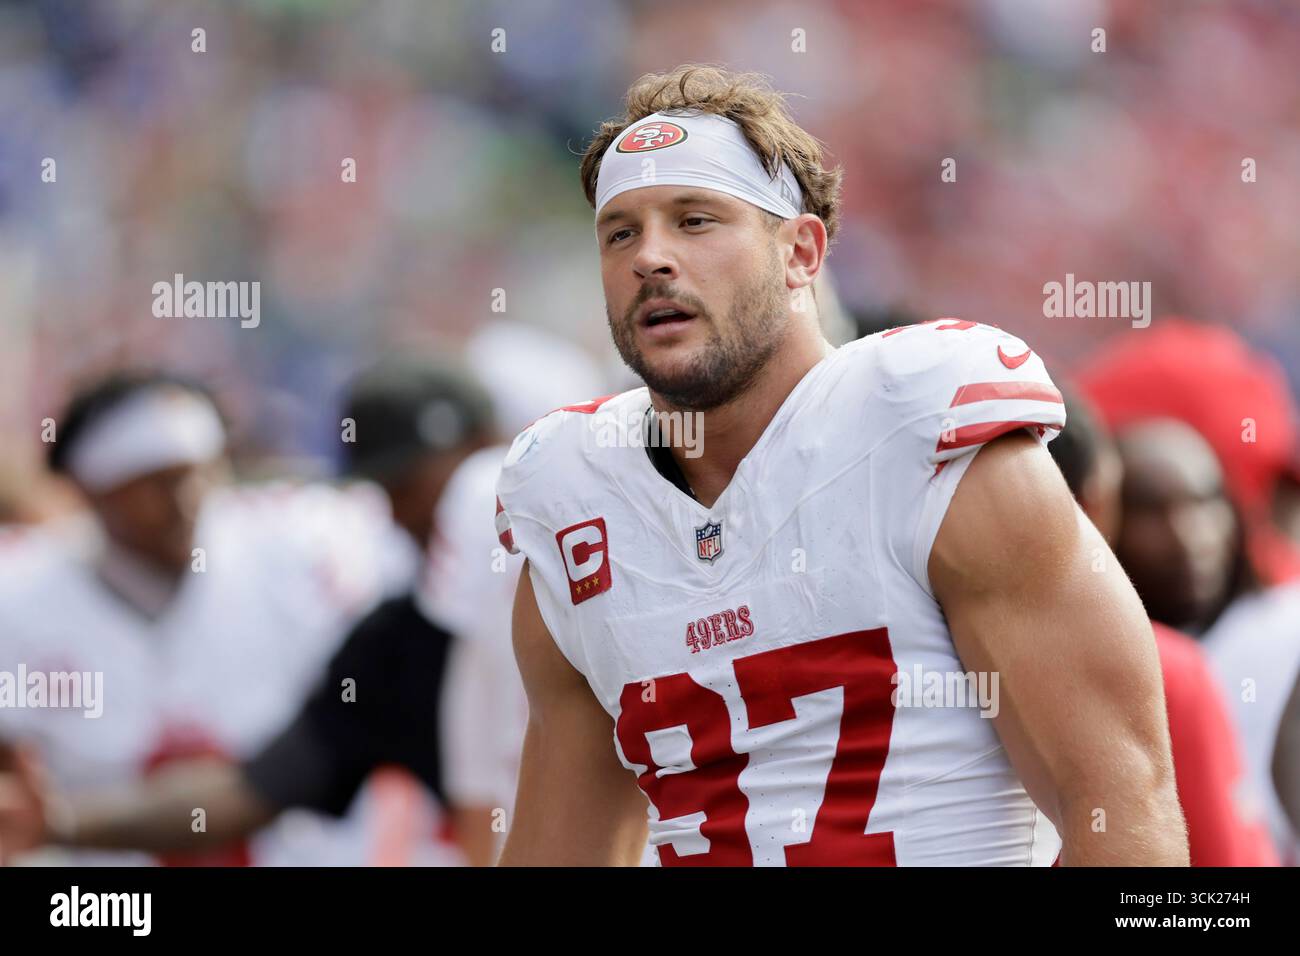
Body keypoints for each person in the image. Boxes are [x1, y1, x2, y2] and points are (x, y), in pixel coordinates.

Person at [493, 65, 1187, 866]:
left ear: (800, 253)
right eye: (621, 232)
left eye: (695, 221)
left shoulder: (922, 428)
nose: (651, 256)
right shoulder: (574, 496)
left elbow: (1122, 812)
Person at [0, 358, 529, 867]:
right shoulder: (396, 642)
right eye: (155, 483)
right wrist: (59, 822)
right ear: (95, 495)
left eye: (196, 473)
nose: (401, 515)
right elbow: (260, 786)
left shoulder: (579, 577)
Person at [1047, 390, 1276, 865]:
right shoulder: (1167, 668)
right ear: (1099, 511)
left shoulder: (1279, 634)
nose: (1189, 538)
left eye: (1205, 500)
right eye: (1152, 509)